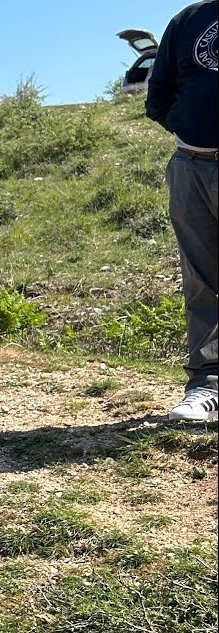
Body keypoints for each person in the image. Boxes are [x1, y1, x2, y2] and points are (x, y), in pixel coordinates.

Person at [146, 0, 218, 422]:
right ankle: (207, 387)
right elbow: (159, 93)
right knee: (201, 282)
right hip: (190, 165)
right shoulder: (189, 19)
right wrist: (187, 123)